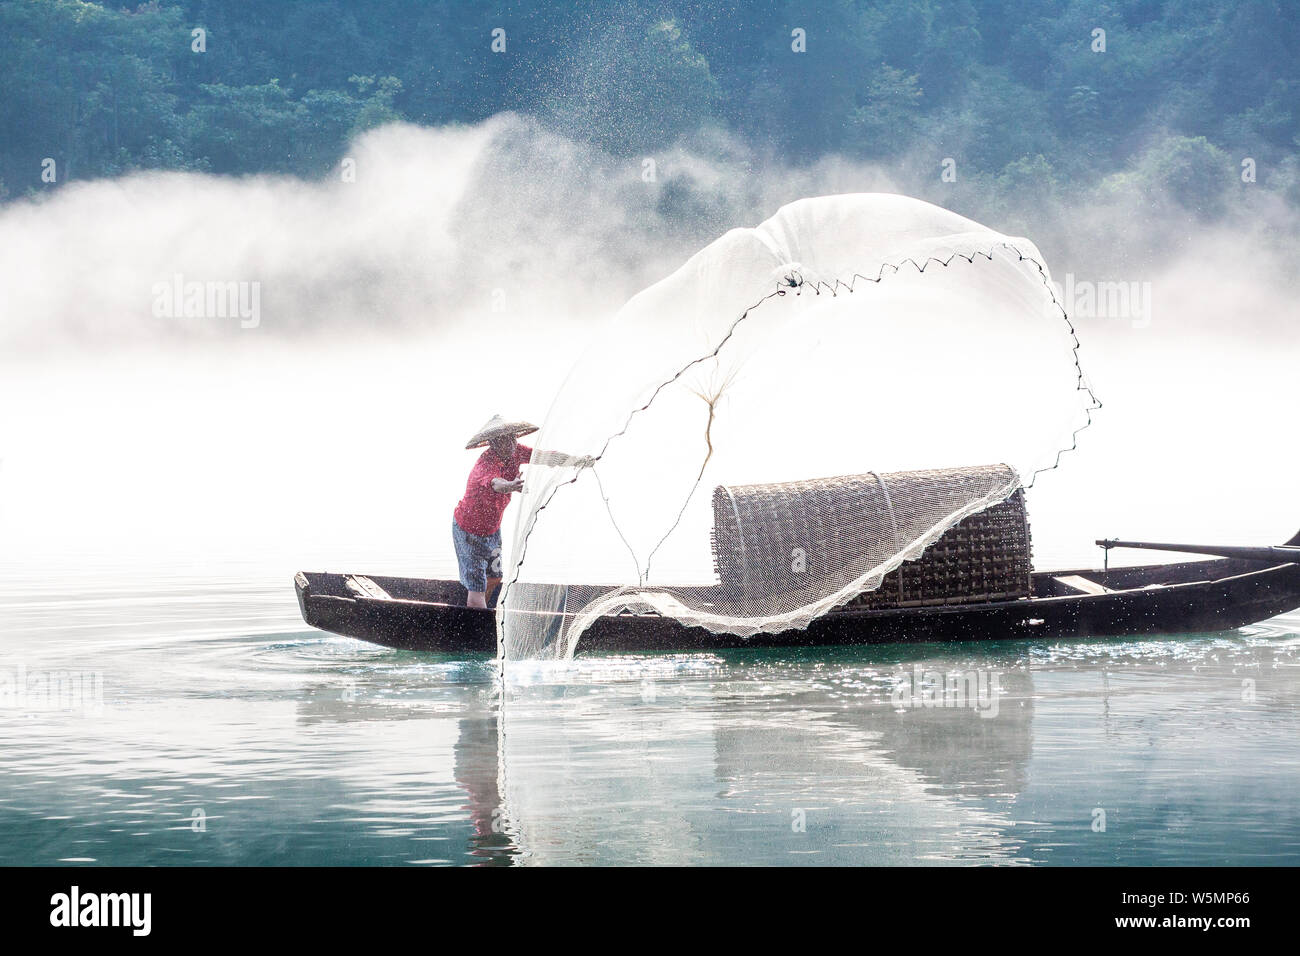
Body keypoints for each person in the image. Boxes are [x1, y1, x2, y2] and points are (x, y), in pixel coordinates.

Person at [452, 414, 591, 608]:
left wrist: (576, 461)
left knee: (495, 577)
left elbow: (545, 456)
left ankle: (483, 610)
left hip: (492, 530)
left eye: (512, 437)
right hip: (469, 531)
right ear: (493, 443)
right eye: (503, 439)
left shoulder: (517, 452)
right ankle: (477, 626)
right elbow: (496, 483)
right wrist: (510, 485)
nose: (510, 443)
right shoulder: (485, 464)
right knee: (477, 587)